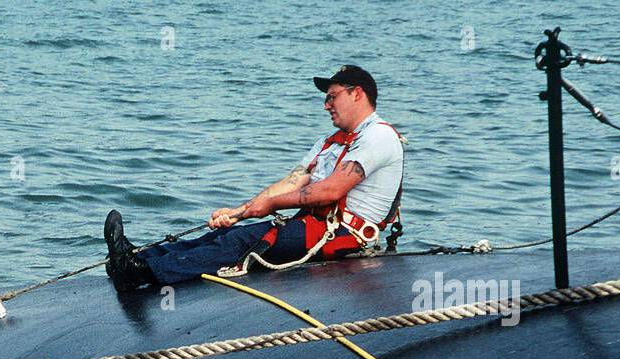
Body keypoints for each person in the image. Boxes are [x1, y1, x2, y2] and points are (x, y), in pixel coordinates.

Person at [104, 65, 404, 290]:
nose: (326, 105)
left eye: (332, 97)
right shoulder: (332, 141)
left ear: (357, 93)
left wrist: (271, 205)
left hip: (341, 236)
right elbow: (293, 181)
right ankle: (139, 257)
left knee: (241, 240)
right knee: (220, 234)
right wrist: (239, 212)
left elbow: (328, 192)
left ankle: (141, 274)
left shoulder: (378, 137)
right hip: (313, 226)